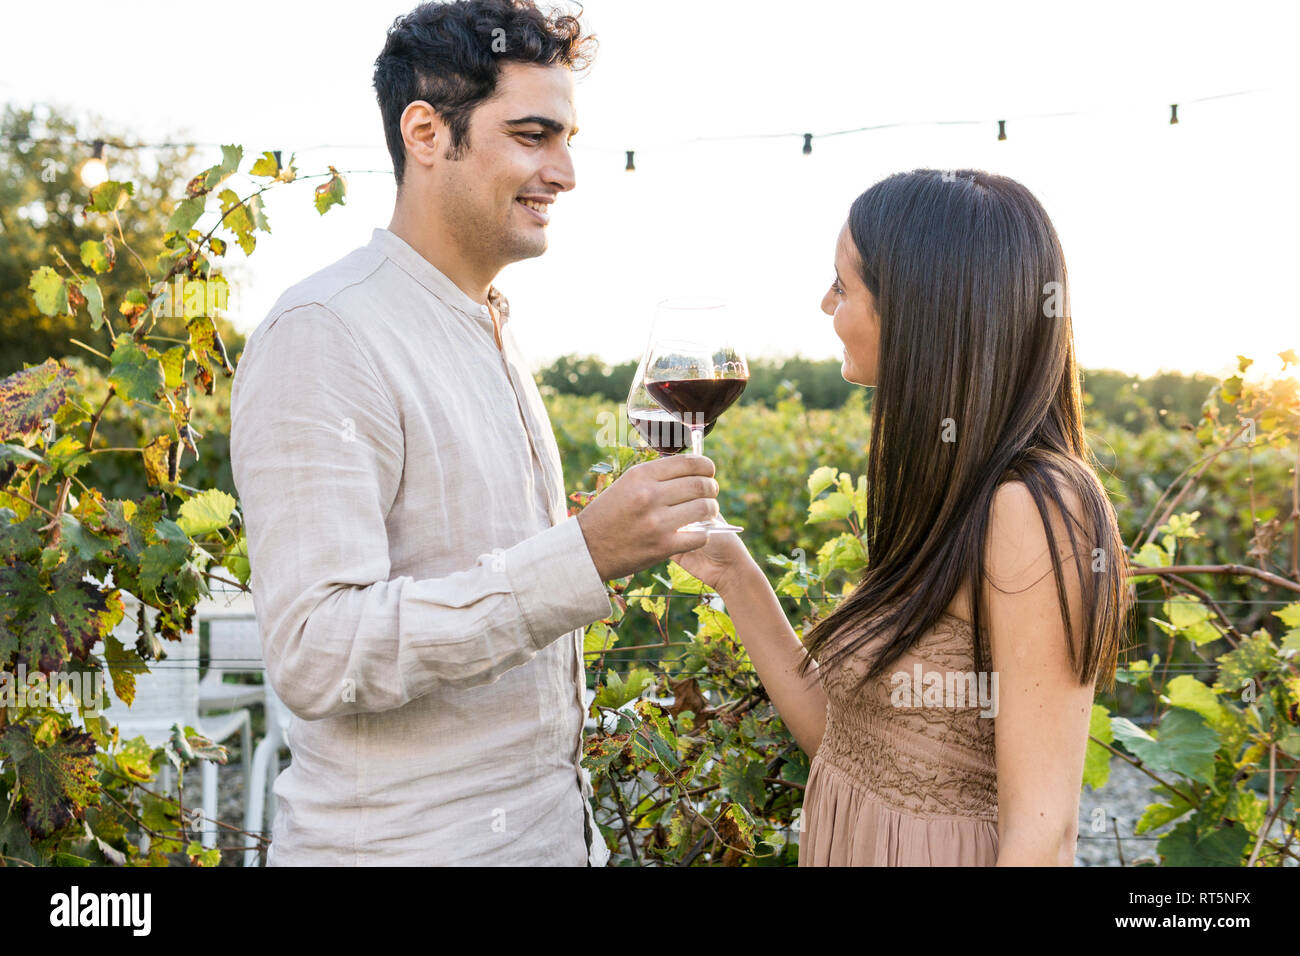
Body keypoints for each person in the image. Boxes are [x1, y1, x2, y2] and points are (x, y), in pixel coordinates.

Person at [228, 0, 720, 866]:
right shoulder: (325, 331)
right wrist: (583, 555)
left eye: (568, 138)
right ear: (425, 133)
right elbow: (318, 652)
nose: (564, 172)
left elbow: (481, 580)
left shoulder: (489, 323)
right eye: (533, 134)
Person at [673, 169, 1134, 866]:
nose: (824, 302)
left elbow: (1043, 835)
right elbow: (851, 743)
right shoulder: (950, 492)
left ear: (920, 306)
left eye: (843, 284)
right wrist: (733, 576)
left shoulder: (1037, 510)